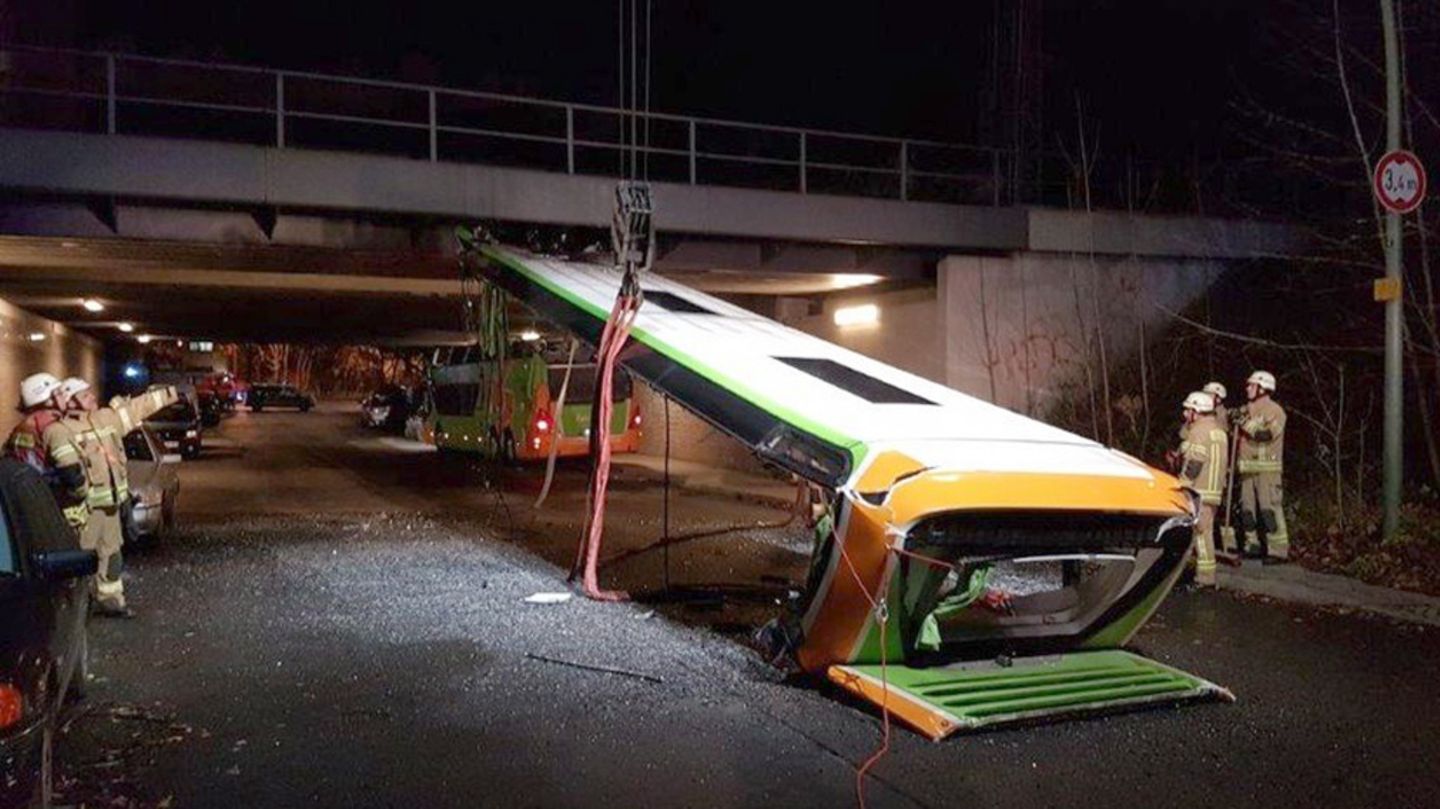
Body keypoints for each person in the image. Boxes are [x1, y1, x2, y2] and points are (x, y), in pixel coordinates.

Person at [59, 377, 133, 617]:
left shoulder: (101, 420)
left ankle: (111, 600)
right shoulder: (64, 430)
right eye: (84, 395)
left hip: (109, 506)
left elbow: (137, 409)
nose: (92, 396)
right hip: (86, 509)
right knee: (82, 557)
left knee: (112, 552)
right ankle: (76, 606)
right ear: (71, 402)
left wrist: (169, 393)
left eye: (90, 392)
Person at [4, 373, 90, 532]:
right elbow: (73, 478)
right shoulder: (54, 429)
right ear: (48, 400)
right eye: (58, 393)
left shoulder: (20, 430)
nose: (64, 396)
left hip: (27, 508)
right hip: (57, 515)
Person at [1236, 370, 1289, 561]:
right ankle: (1252, 545)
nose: (1247, 388)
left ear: (1262, 388)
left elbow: (1265, 435)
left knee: (1269, 510)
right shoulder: (1246, 409)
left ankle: (1278, 550)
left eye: (1251, 385)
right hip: (1247, 469)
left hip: (1267, 470)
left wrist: (1244, 423)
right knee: (1247, 510)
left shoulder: (1276, 411)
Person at [1177, 392, 1227, 587]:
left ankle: (1205, 578)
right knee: (1206, 531)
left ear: (1196, 412)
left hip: (1200, 490)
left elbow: (1195, 462)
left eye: (1188, 410)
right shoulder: (1219, 431)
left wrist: (1183, 483)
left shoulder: (1198, 431)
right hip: (1214, 490)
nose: (1185, 413)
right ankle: (1204, 574)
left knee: (1201, 534)